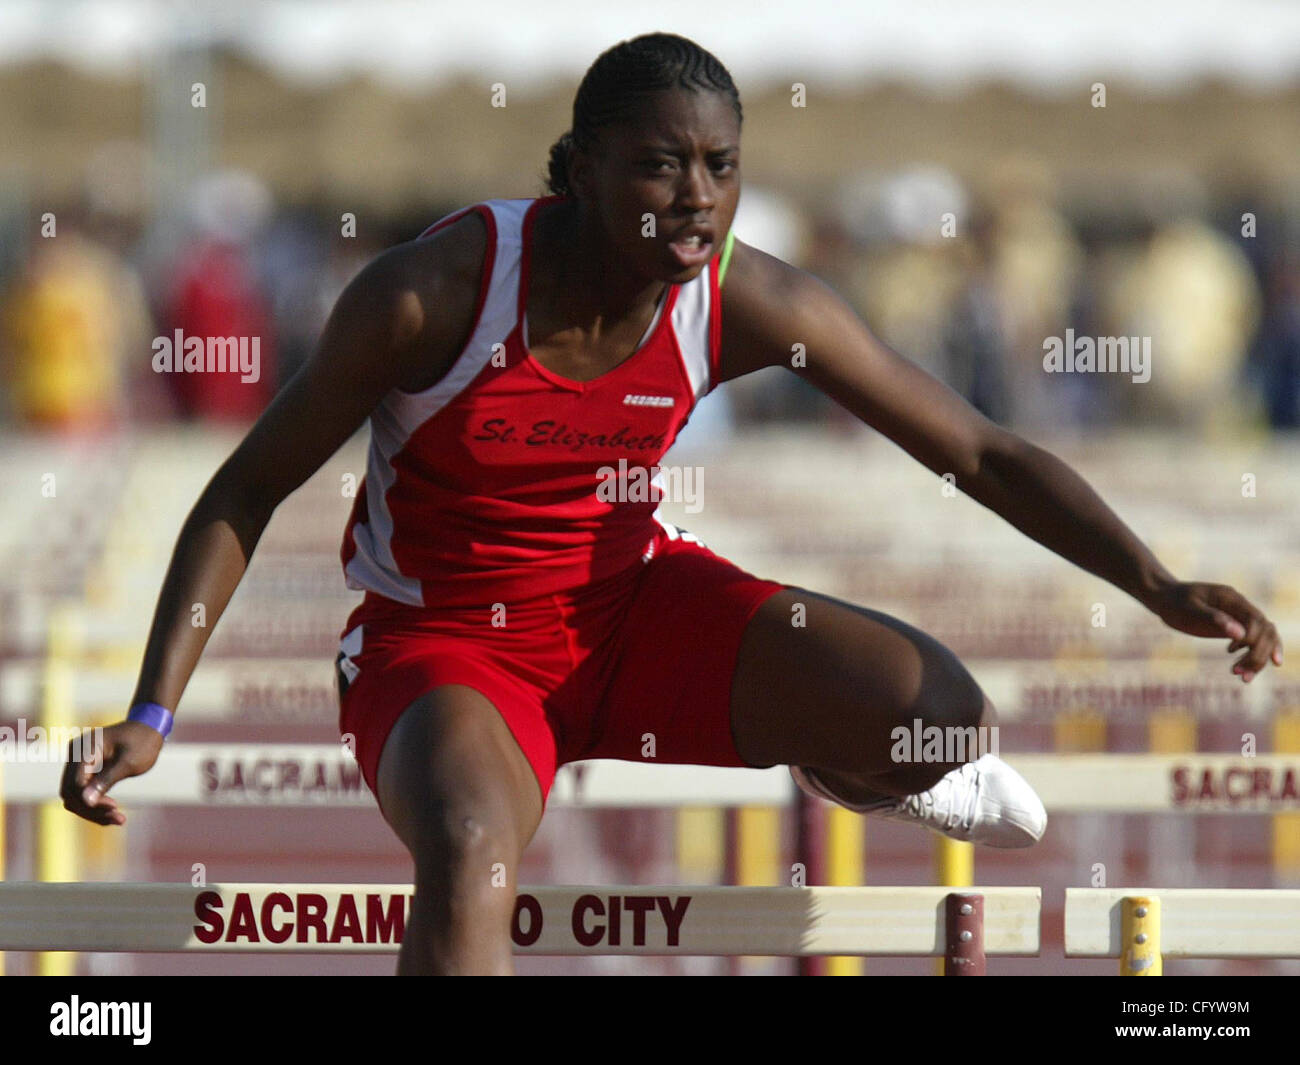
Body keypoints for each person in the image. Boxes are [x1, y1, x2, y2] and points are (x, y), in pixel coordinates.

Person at [62, 33, 1283, 975]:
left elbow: (975, 447)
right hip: (443, 649)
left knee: (941, 723)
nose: (697, 196)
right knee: (472, 849)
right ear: (583, 169)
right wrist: (153, 715)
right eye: (660, 164)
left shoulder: (744, 299)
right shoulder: (433, 292)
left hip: (632, 616)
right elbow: (244, 485)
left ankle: (834, 755)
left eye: (720, 166)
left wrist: (1153, 581)